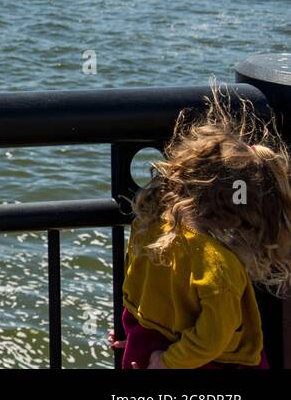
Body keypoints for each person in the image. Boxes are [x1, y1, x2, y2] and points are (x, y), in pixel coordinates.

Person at [113, 86, 291, 368]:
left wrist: (136, 332)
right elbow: (214, 337)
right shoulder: (218, 264)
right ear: (242, 213)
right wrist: (167, 361)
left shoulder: (148, 228)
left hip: (151, 343)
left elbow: (137, 290)